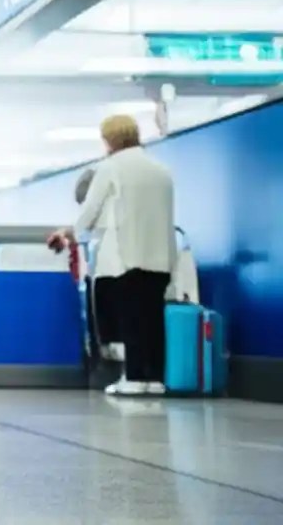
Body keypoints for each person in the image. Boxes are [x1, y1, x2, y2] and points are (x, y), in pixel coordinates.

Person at [51, 115, 175, 396]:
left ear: (108, 139)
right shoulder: (161, 170)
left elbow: (90, 210)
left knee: (130, 318)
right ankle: (154, 379)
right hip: (160, 257)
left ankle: (132, 377)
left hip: (125, 257)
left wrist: (67, 233)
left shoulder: (110, 168)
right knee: (152, 319)